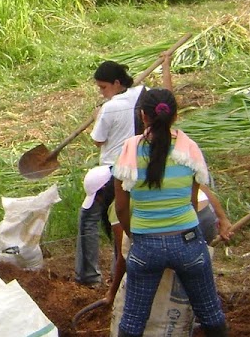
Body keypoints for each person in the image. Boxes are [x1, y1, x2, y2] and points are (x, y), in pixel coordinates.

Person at [112, 89, 228, 337]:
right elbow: (191, 199)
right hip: (187, 241)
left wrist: (137, 234)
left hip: (145, 244)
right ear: (175, 116)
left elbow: (121, 207)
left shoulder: (129, 150)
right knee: (210, 313)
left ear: (143, 116)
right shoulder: (189, 149)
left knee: (132, 320)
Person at [77, 54, 172, 287]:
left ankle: (88, 277)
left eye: (103, 87)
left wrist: (97, 116)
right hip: (141, 169)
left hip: (113, 173)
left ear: (117, 83)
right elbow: (168, 102)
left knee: (91, 219)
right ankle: (119, 276)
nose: (101, 92)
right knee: (122, 225)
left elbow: (98, 140)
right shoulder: (145, 95)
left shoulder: (110, 108)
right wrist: (166, 66)